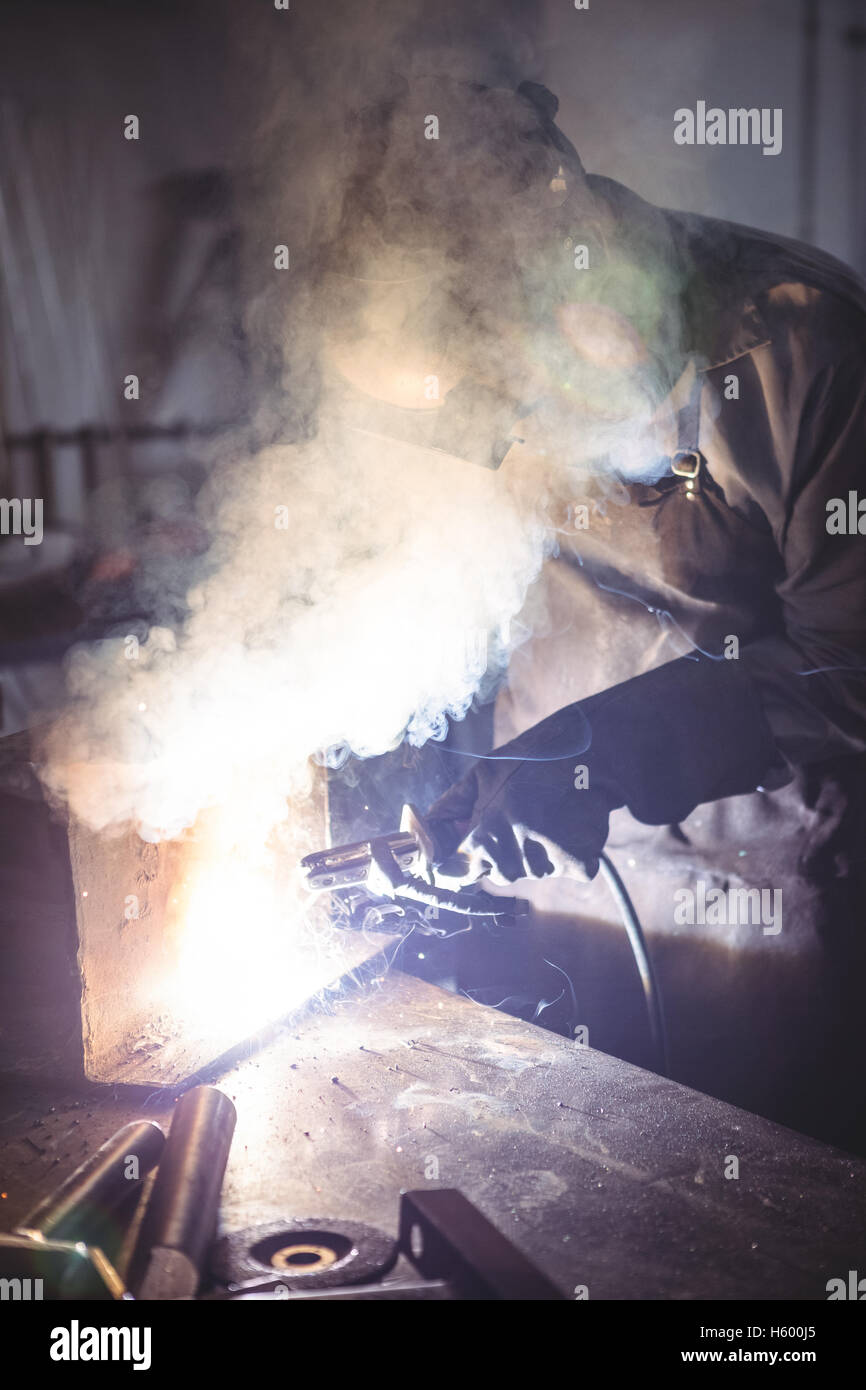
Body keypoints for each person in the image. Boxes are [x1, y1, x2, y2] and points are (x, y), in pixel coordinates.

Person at [325, 77, 866, 1150]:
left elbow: (847, 674)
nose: (505, 429)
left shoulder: (806, 349)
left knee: (749, 1225)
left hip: (758, 901)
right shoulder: (459, 363)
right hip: (549, 872)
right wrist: (416, 766)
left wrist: (598, 756)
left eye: (510, 389)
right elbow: (444, 585)